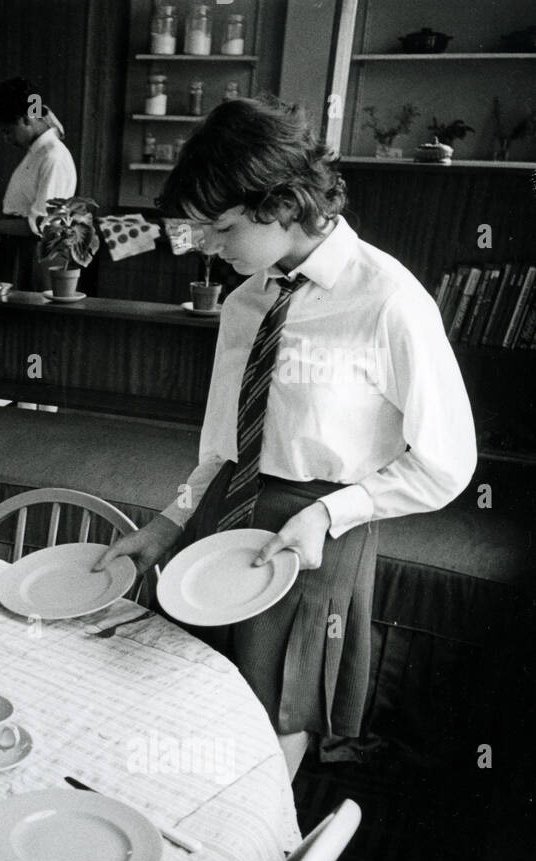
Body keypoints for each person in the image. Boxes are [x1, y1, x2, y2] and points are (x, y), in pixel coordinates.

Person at [96, 97, 476, 780]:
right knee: (193, 693)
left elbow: (447, 463)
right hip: (225, 514)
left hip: (321, 532)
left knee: (278, 717)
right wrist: (167, 524)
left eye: (222, 227)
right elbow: (220, 448)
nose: (209, 246)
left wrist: (329, 513)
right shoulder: (246, 300)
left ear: (283, 203)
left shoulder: (389, 301)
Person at [0, 76, 78, 290]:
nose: (7, 139)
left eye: (7, 131)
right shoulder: (36, 153)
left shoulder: (53, 157)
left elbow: (39, 226)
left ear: (26, 119)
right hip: (17, 252)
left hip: (32, 257)